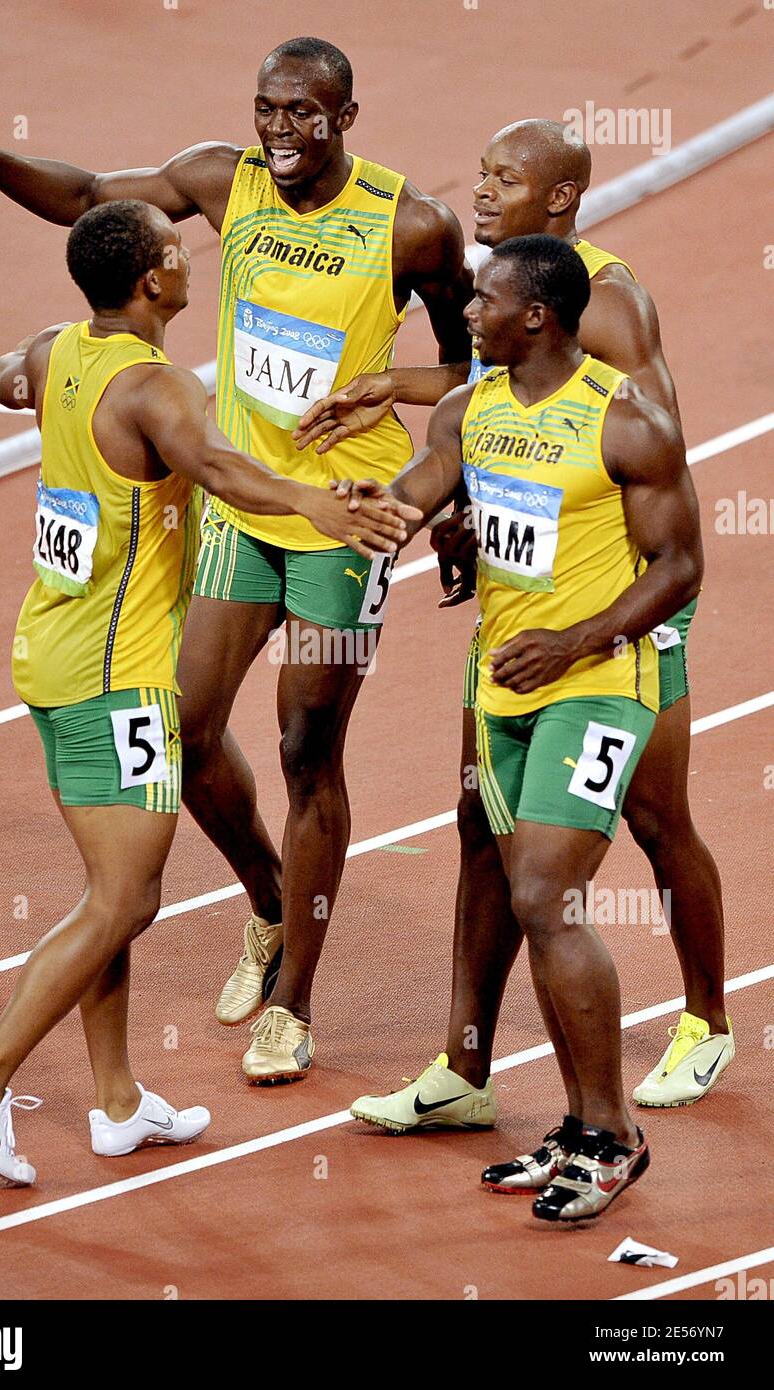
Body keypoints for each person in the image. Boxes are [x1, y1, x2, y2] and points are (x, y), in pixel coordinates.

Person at [0, 37, 473, 1083]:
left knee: (306, 745)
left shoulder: (413, 225)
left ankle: (293, 1002)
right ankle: (268, 905)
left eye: (304, 113)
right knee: (188, 726)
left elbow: (468, 366)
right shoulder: (221, 177)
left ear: (346, 114)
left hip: (344, 516)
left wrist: (440, 471)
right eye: (268, 109)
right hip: (242, 504)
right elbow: (90, 196)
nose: (281, 131)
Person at [0, 199, 414, 1186]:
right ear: (154, 279)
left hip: (52, 649)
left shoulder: (58, 347)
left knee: (111, 895)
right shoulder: (155, 389)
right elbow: (226, 469)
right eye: (173, 249)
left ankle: (115, 1103)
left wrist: (44, 397)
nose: (191, 259)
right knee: (129, 895)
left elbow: (4, 379)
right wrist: (322, 501)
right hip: (120, 675)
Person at [296, 119, 731, 1116]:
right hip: (521, 613)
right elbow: (510, 393)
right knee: (478, 823)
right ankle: (463, 1069)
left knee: (659, 820)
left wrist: (617, 618)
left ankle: (706, 1021)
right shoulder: (515, 308)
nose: (480, 194)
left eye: (504, 179)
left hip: (625, 601)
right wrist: (450, 461)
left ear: (562, 202)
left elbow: (639, 446)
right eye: (482, 172)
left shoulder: (610, 302)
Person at [339, 236, 704, 1219]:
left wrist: (575, 640)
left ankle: (620, 1133)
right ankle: (584, 1127)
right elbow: (423, 489)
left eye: (483, 299)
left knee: (549, 892)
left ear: (536, 315)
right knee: (531, 897)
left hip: (596, 682)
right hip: (503, 685)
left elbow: (678, 568)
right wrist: (371, 510)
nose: (464, 309)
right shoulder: (470, 408)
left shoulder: (627, 421)